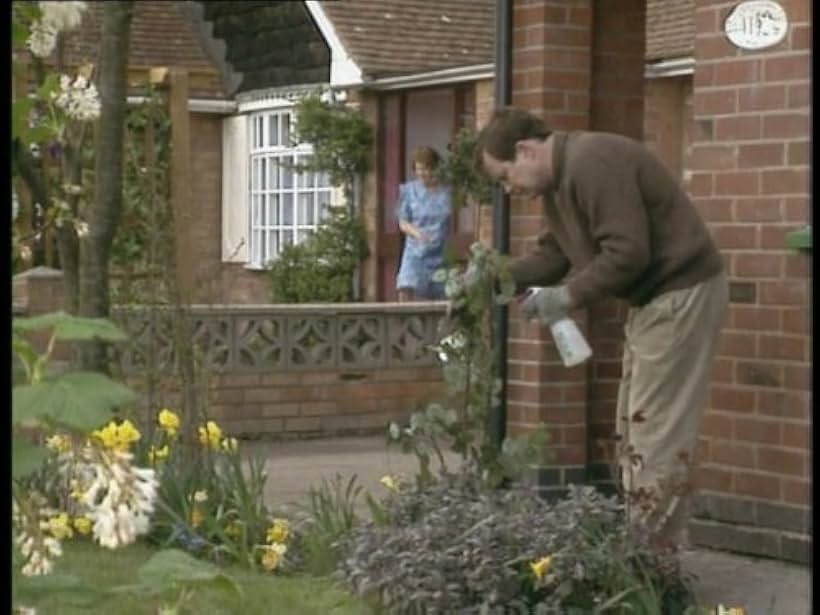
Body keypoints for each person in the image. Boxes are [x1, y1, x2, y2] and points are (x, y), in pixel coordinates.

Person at [475, 107, 728, 550]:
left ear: (525, 150)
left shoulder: (592, 163)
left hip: (681, 293)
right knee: (634, 428)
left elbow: (629, 253)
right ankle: (645, 550)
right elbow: (555, 257)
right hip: (654, 302)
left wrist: (566, 297)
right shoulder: (559, 185)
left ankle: (652, 564)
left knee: (656, 433)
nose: (508, 189)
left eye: (504, 175)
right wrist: (494, 275)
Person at [395, 146, 452, 302]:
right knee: (406, 286)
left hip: (440, 250)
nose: (422, 173)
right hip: (416, 251)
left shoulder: (447, 192)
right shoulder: (409, 191)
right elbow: (403, 222)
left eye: (426, 169)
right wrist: (417, 233)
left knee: (443, 294)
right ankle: (404, 324)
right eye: (419, 169)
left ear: (435, 168)